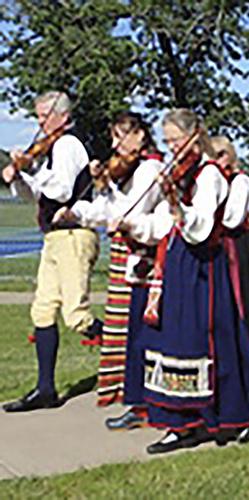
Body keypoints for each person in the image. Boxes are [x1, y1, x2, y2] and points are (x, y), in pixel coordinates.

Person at [129, 109, 249, 454]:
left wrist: (175, 205)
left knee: (214, 340)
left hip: (203, 265)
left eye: (175, 140)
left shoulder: (209, 174)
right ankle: (179, 423)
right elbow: (164, 224)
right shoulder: (179, 174)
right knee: (171, 340)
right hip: (175, 260)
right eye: (167, 141)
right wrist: (132, 225)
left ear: (194, 136)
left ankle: (240, 414)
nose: (171, 148)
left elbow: (199, 227)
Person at [53, 112, 165, 426]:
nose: (114, 145)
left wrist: (105, 190)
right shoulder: (130, 171)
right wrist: (78, 211)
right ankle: (132, 397)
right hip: (124, 255)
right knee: (125, 330)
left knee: (141, 330)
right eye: (113, 137)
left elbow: (128, 211)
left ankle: (144, 402)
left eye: (120, 136)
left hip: (143, 258)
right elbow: (108, 209)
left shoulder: (150, 169)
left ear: (140, 136)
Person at [1, 91, 103, 413]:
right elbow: (36, 196)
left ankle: (133, 354)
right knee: (42, 311)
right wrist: (18, 177)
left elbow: (60, 189)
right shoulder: (50, 150)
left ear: (61, 115)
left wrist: (31, 166)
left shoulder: (68, 144)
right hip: (54, 237)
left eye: (44, 116)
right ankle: (45, 389)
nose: (39, 122)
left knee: (76, 314)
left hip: (73, 233)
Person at [213, 136, 249, 357]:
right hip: (220, 242)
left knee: (243, 293)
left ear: (229, 155)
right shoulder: (218, 179)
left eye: (220, 155)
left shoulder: (240, 181)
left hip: (236, 242)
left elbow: (232, 218)